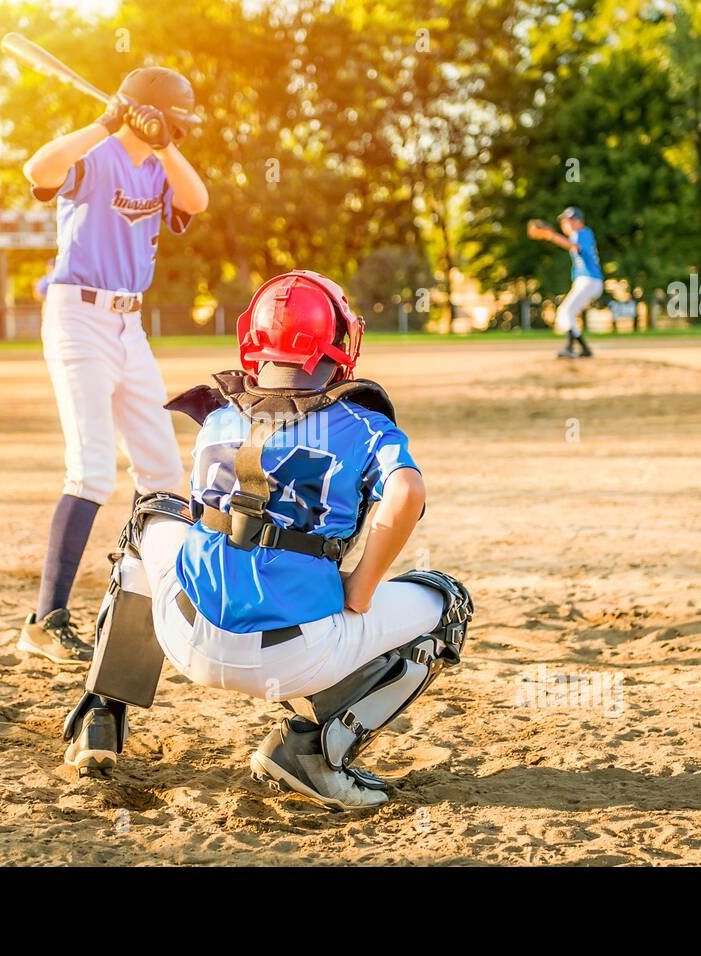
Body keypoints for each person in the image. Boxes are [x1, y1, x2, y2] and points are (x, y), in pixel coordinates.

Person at [59, 271, 474, 811]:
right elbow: (407, 492)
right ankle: (314, 753)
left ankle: (102, 711)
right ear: (338, 343)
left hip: (186, 633)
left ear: (253, 341)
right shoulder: (362, 424)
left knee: (151, 516)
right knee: (449, 605)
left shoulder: (218, 417)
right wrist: (363, 589)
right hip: (298, 653)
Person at [16, 67, 209, 664]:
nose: (183, 128)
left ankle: (149, 602)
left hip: (130, 324)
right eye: (177, 118)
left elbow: (198, 200)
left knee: (161, 471)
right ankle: (45, 621)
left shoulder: (158, 165)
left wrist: (161, 139)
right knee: (93, 470)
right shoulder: (97, 156)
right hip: (78, 317)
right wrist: (109, 120)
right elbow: (38, 171)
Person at [529, 207, 603, 358]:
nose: (565, 224)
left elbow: (574, 246)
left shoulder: (580, 234)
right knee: (567, 313)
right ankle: (583, 349)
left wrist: (551, 235)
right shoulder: (583, 234)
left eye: (568, 221)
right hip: (588, 281)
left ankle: (571, 348)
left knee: (566, 311)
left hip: (589, 280)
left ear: (578, 222)